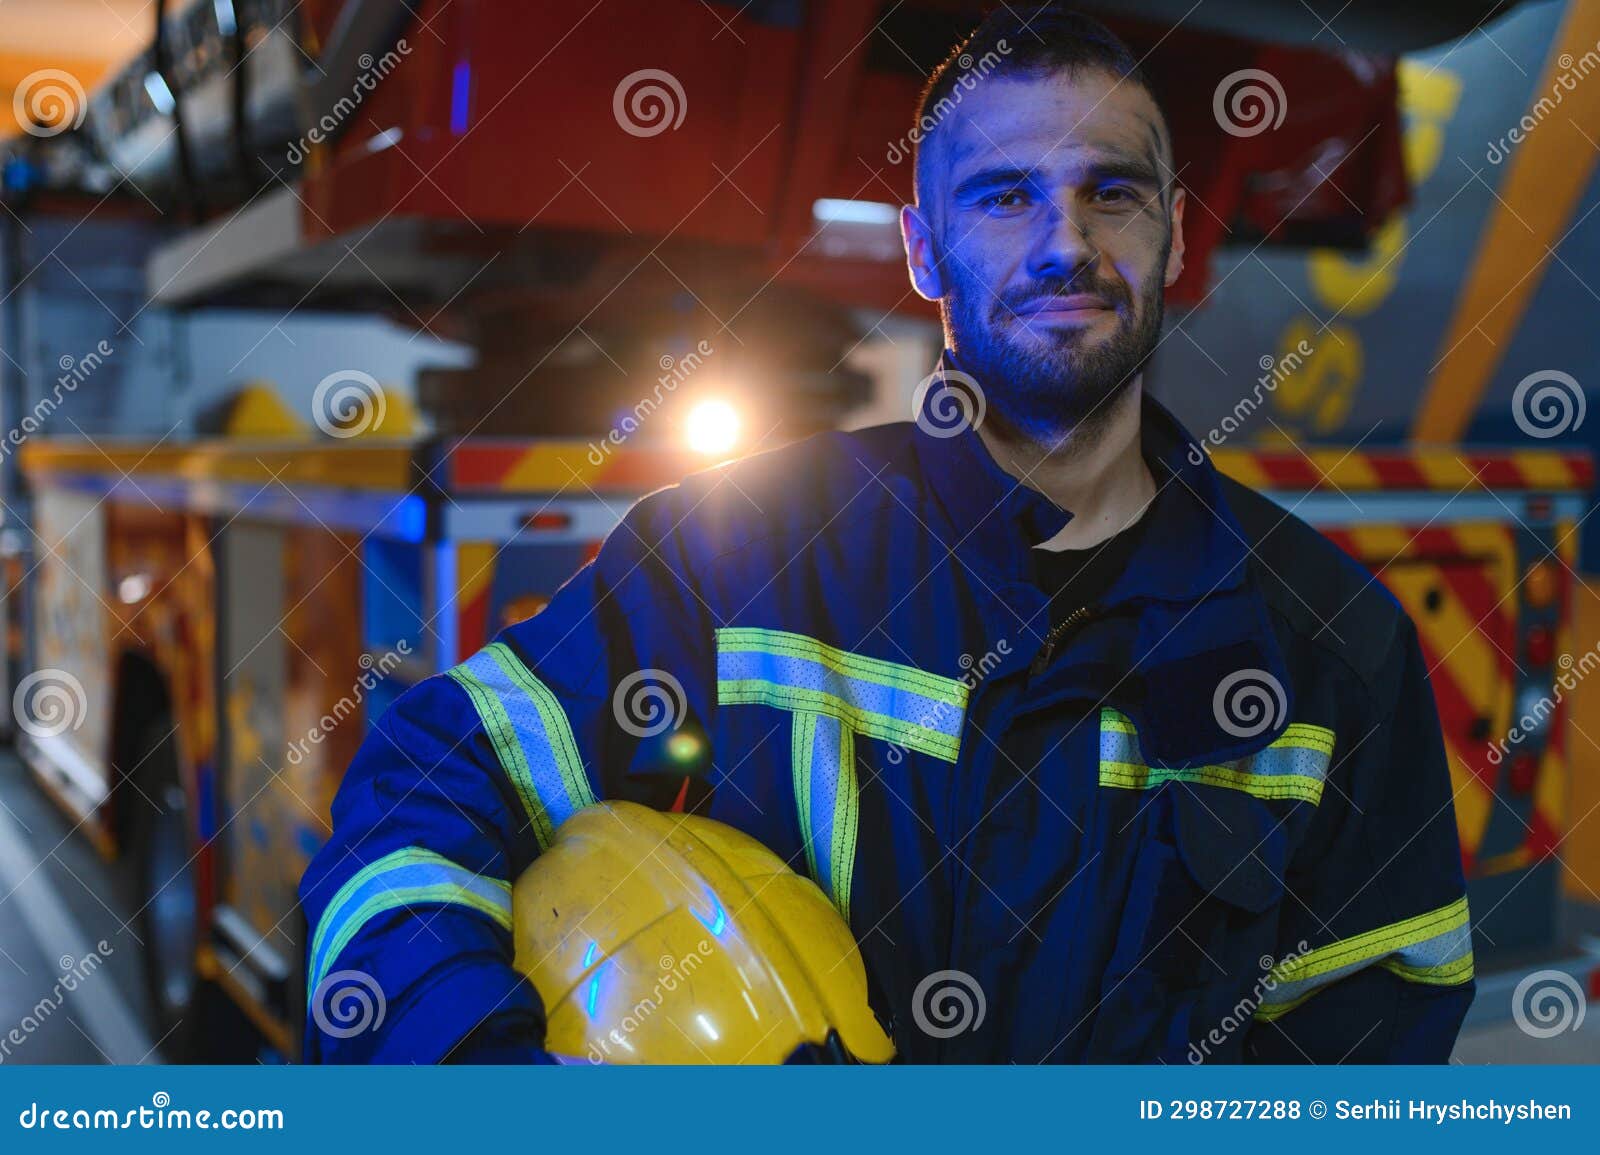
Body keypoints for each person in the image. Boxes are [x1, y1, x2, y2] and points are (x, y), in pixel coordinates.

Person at [301, 4, 1472, 1064]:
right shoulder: (741, 553)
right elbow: (422, 796)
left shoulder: (1328, 643)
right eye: (1005, 196)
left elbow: (1379, 1019)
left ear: (1169, 233)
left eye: (1108, 192)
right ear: (923, 251)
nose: (1064, 243)